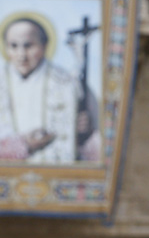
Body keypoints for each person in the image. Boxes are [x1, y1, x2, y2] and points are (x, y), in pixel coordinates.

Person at [0, 17, 88, 164]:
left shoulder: (66, 83)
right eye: (13, 46)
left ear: (44, 46)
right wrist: (23, 145)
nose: (22, 55)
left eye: (29, 46)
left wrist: (86, 131)